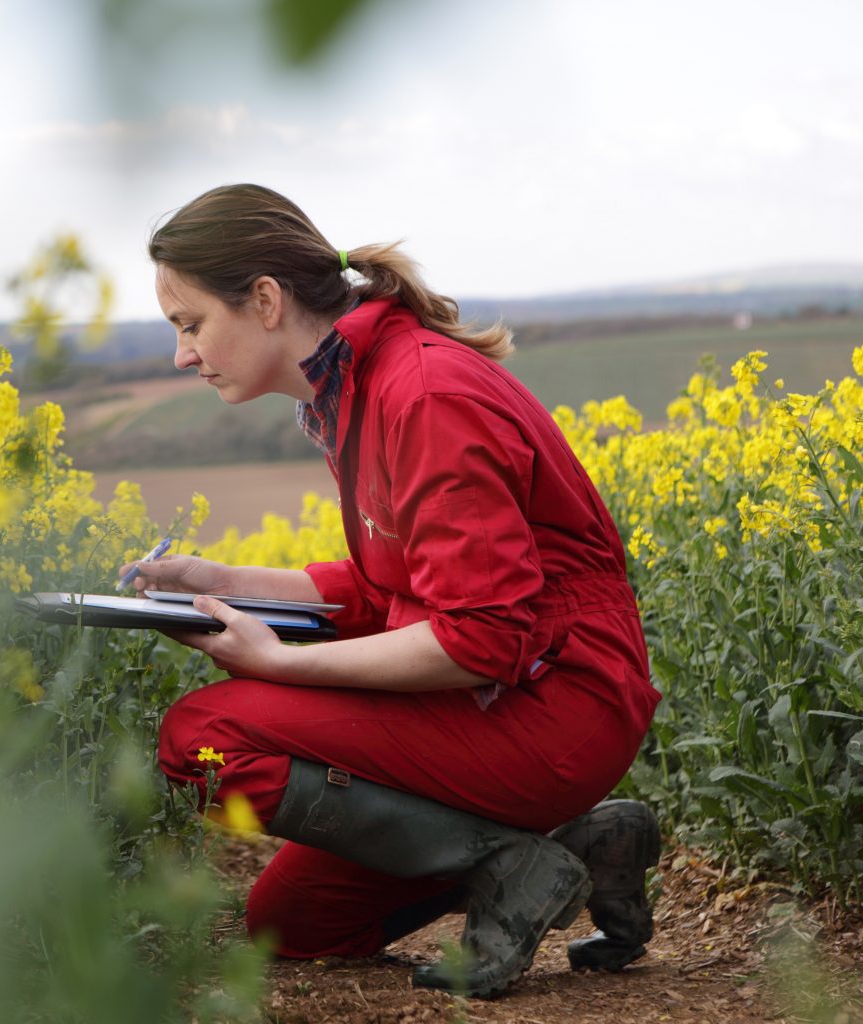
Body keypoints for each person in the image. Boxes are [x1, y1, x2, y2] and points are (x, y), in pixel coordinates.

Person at [124, 184, 663, 999]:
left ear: (265, 300)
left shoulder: (424, 395)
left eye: (190, 323)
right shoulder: (358, 390)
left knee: (203, 739)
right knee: (292, 924)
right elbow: (393, 586)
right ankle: (571, 845)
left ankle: (509, 860)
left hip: (555, 709)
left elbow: (480, 634)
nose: (182, 354)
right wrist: (221, 581)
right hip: (502, 701)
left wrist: (276, 663)